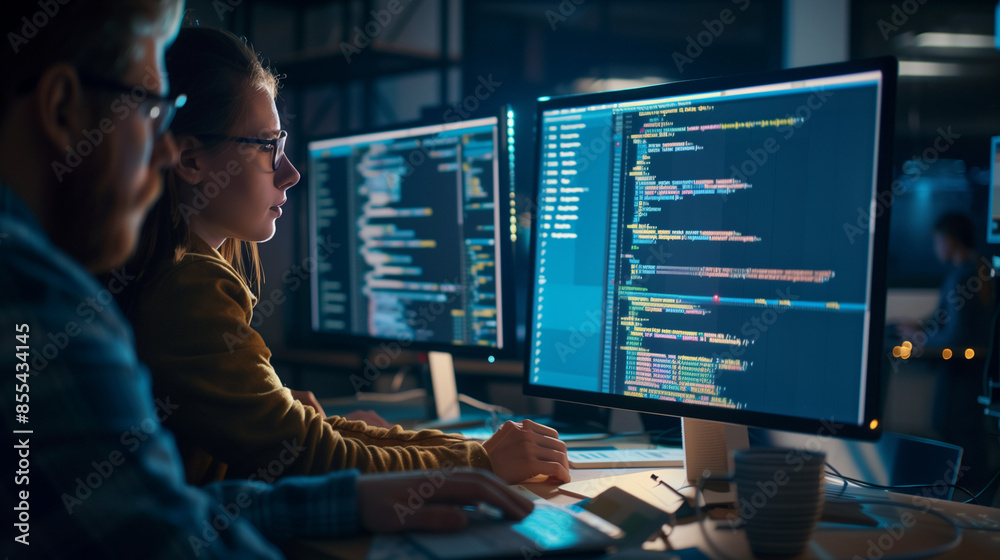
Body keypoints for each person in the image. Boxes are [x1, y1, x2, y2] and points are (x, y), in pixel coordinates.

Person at [0, 2, 531, 557]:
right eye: (151, 113)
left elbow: (171, 506)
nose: (164, 149)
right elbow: (178, 540)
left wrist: (356, 493)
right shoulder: (43, 306)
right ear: (62, 109)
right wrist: (476, 459)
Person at [118, 25, 571, 487]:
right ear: (192, 161)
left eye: (283, 146)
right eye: (267, 147)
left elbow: (306, 441)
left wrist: (470, 451)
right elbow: (311, 457)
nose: (291, 174)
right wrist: (480, 464)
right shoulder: (187, 286)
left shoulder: (183, 274)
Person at [895, 212, 995, 352]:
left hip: (960, 368)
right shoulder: (978, 270)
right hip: (976, 365)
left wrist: (918, 336)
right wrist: (921, 328)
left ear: (948, 240)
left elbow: (955, 337)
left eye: (936, 242)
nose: (934, 248)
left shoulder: (961, 279)